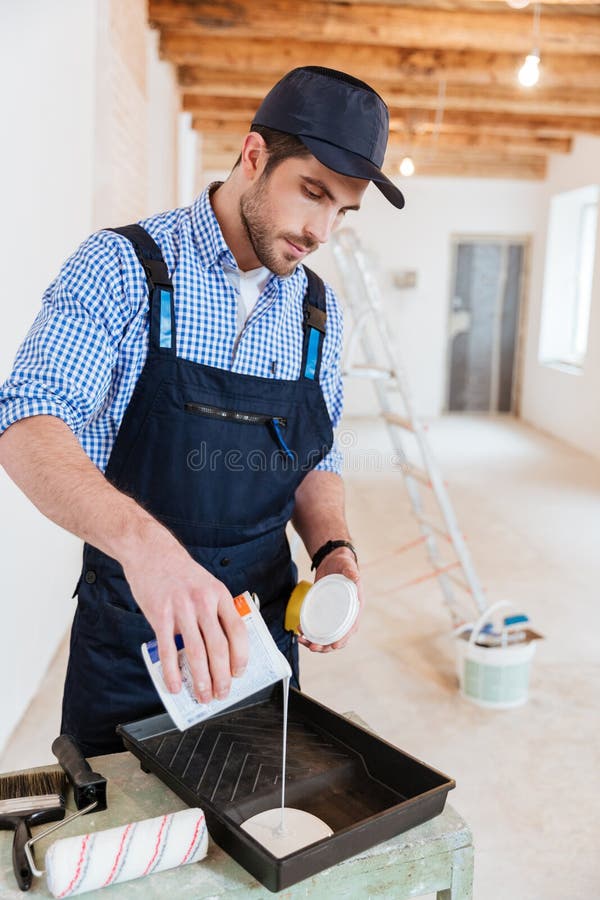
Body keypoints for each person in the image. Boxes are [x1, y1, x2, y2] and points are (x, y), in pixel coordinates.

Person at [0, 66, 405, 756]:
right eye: (311, 192)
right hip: (135, 634)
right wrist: (148, 549)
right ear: (253, 156)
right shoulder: (122, 265)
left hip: (262, 636)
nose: (321, 230)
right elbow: (27, 421)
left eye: (342, 209)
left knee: (249, 835)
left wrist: (333, 548)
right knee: (126, 845)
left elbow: (316, 454)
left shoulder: (317, 311)